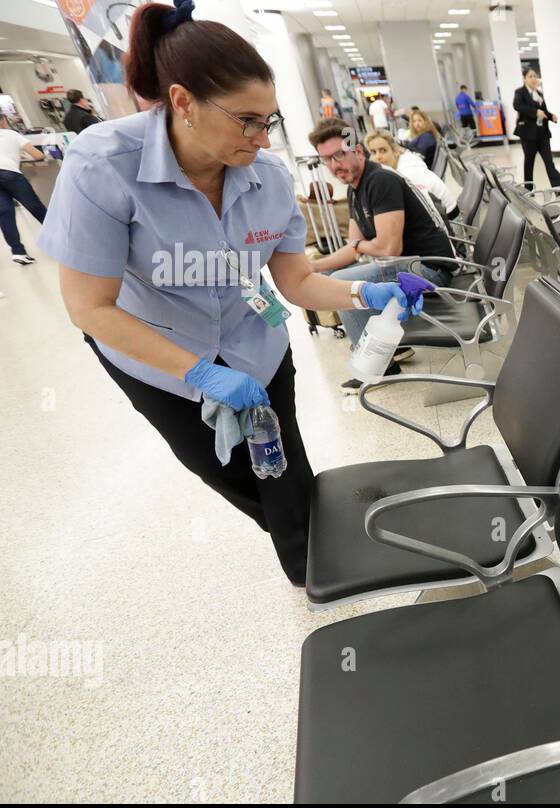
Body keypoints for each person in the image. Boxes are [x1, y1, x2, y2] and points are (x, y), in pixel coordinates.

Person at [35, 1, 418, 586]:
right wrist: (200, 375)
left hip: (253, 338)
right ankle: (312, 548)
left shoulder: (268, 179)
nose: (262, 140)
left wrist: (372, 296)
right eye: (247, 120)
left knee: (281, 458)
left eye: (270, 122)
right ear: (183, 101)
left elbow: (296, 282)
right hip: (155, 354)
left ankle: (316, 565)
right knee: (221, 468)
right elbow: (89, 309)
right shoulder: (104, 165)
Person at [306, 117, 456, 392]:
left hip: (428, 271)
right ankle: (382, 347)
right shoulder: (355, 188)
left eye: (340, 154)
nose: (334, 165)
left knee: (340, 283)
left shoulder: (380, 181)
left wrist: (357, 247)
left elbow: (387, 249)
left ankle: (379, 366)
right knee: (328, 274)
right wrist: (315, 268)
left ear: (358, 151)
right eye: (326, 159)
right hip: (404, 266)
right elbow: (354, 246)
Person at [365, 129, 456, 219]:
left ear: (395, 151)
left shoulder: (407, 175)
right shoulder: (403, 162)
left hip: (451, 221)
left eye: (383, 150)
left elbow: (429, 217)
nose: (377, 157)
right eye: (373, 152)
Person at [0, 117, 47, 265]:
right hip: (9, 173)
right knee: (36, 207)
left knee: (5, 213)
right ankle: (64, 240)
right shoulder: (12, 134)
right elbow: (38, 155)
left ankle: (18, 252)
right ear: (2, 121)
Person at [513, 68, 560, 191]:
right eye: (530, 76)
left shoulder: (539, 94)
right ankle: (528, 189)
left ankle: (559, 188)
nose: (533, 79)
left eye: (535, 76)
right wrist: (535, 112)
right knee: (529, 162)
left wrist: (551, 116)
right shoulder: (520, 92)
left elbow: (544, 111)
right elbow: (517, 106)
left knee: (549, 161)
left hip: (542, 133)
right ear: (524, 78)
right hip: (528, 134)